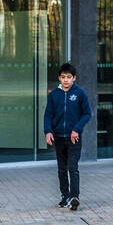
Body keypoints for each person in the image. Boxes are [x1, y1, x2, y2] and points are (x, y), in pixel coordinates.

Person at [43, 62, 92, 210]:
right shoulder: (54, 95)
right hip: (58, 137)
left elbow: (87, 113)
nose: (66, 80)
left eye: (69, 77)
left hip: (74, 138)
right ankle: (65, 196)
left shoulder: (80, 93)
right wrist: (48, 131)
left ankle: (74, 197)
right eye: (63, 77)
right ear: (59, 78)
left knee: (72, 167)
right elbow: (48, 115)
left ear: (74, 78)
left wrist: (77, 129)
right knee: (62, 169)